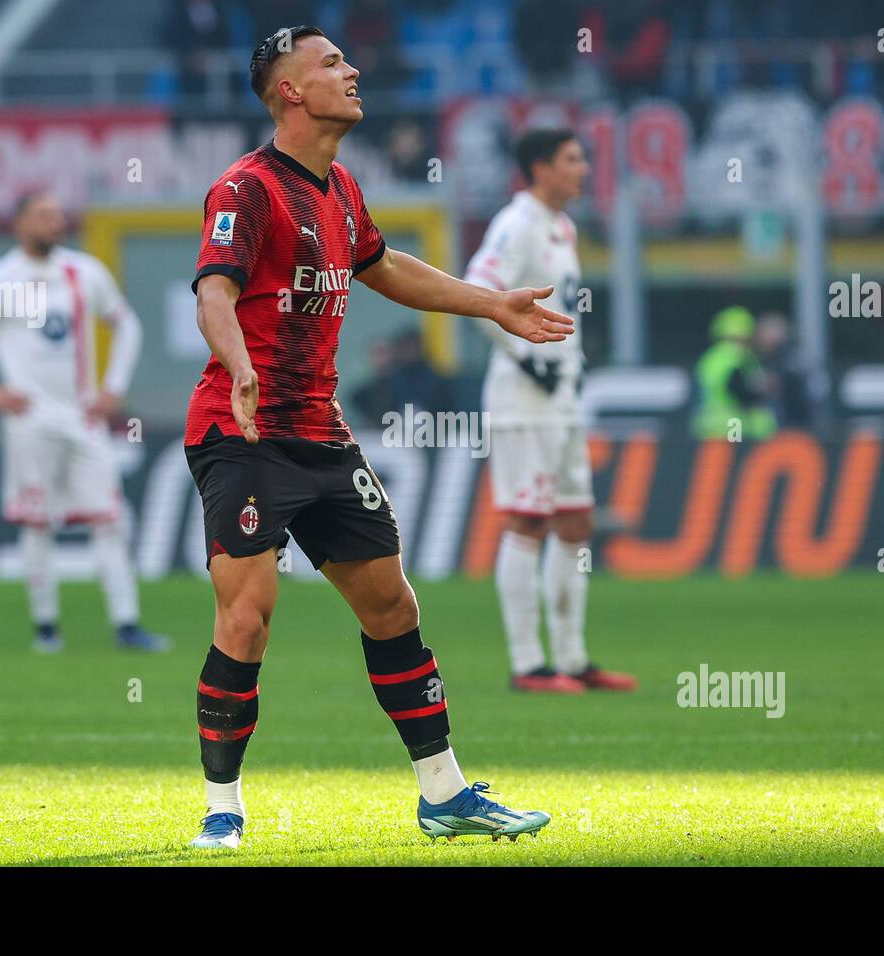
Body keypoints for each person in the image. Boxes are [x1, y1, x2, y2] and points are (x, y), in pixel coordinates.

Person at [186, 25, 574, 850]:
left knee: (392, 605)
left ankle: (444, 792)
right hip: (243, 428)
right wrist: (239, 364)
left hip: (320, 432)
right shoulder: (247, 189)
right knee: (249, 615)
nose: (352, 70)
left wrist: (491, 303)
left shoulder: (338, 188)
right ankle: (225, 808)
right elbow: (215, 290)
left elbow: (384, 265)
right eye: (330, 63)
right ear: (289, 91)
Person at [0, 190, 171, 654]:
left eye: (58, 215)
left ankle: (126, 624)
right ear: (19, 223)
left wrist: (113, 386)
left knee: (109, 518)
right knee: (37, 521)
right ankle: (46, 627)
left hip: (82, 418)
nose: (55, 223)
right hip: (29, 421)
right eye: (44, 216)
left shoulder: (84, 272)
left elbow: (127, 325)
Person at [465, 128, 637, 695]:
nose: (583, 168)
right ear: (539, 168)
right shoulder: (516, 225)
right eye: (571, 159)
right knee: (529, 519)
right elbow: (476, 290)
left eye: (583, 157)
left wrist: (574, 359)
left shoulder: (562, 227)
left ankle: (572, 657)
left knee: (577, 520)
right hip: (521, 399)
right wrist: (521, 356)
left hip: (561, 397)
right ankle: (528, 664)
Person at [692, 305, 777, 441]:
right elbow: (738, 390)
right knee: (736, 459)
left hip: (712, 425)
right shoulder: (737, 356)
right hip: (734, 425)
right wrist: (763, 388)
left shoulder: (711, 357)